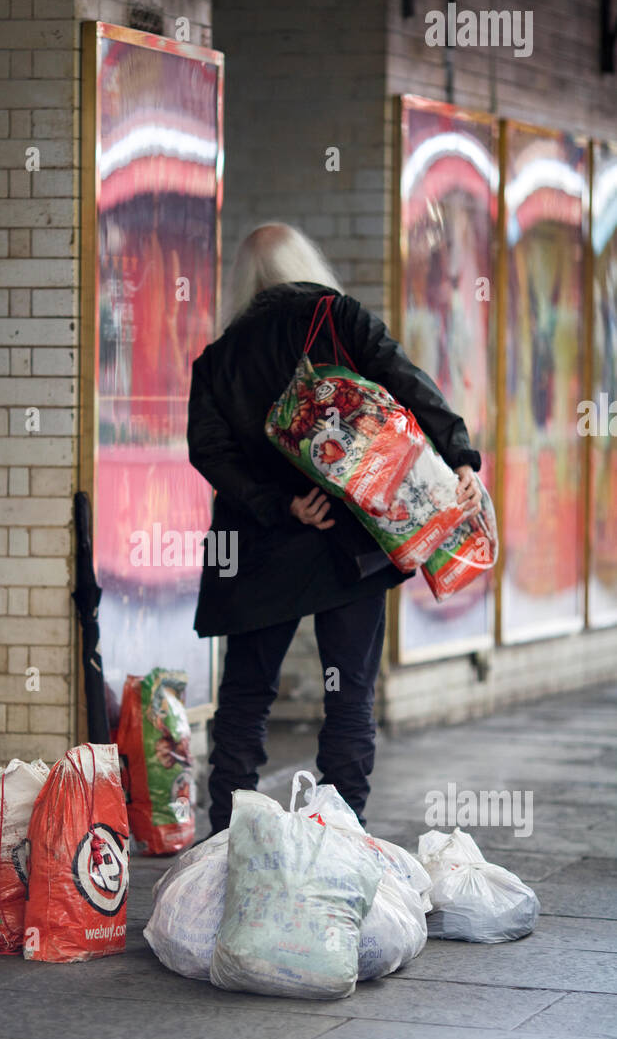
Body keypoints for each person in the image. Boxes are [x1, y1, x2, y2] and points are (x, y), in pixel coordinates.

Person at [187, 223, 483, 834]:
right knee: (348, 696)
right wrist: (459, 455)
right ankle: (342, 838)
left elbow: (209, 455)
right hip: (348, 544)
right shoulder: (338, 317)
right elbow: (408, 382)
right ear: (305, 262)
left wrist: (280, 504)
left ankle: (225, 842)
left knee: (245, 701)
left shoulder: (219, 358)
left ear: (246, 281)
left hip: (256, 554)